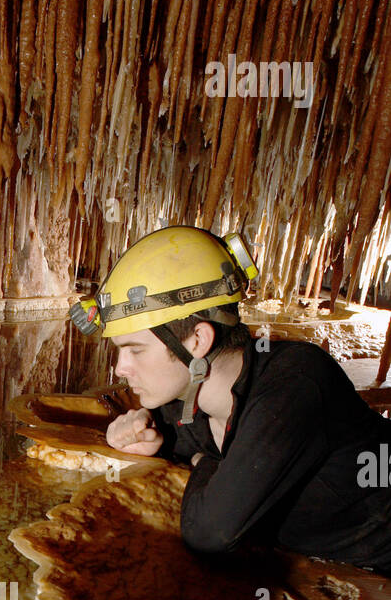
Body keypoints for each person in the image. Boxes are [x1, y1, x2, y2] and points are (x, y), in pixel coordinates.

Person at [69, 226, 391, 576]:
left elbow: (210, 533)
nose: (120, 368)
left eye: (135, 349)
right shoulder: (192, 403)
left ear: (197, 340)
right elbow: (179, 437)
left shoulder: (296, 383)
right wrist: (150, 437)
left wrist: (205, 460)